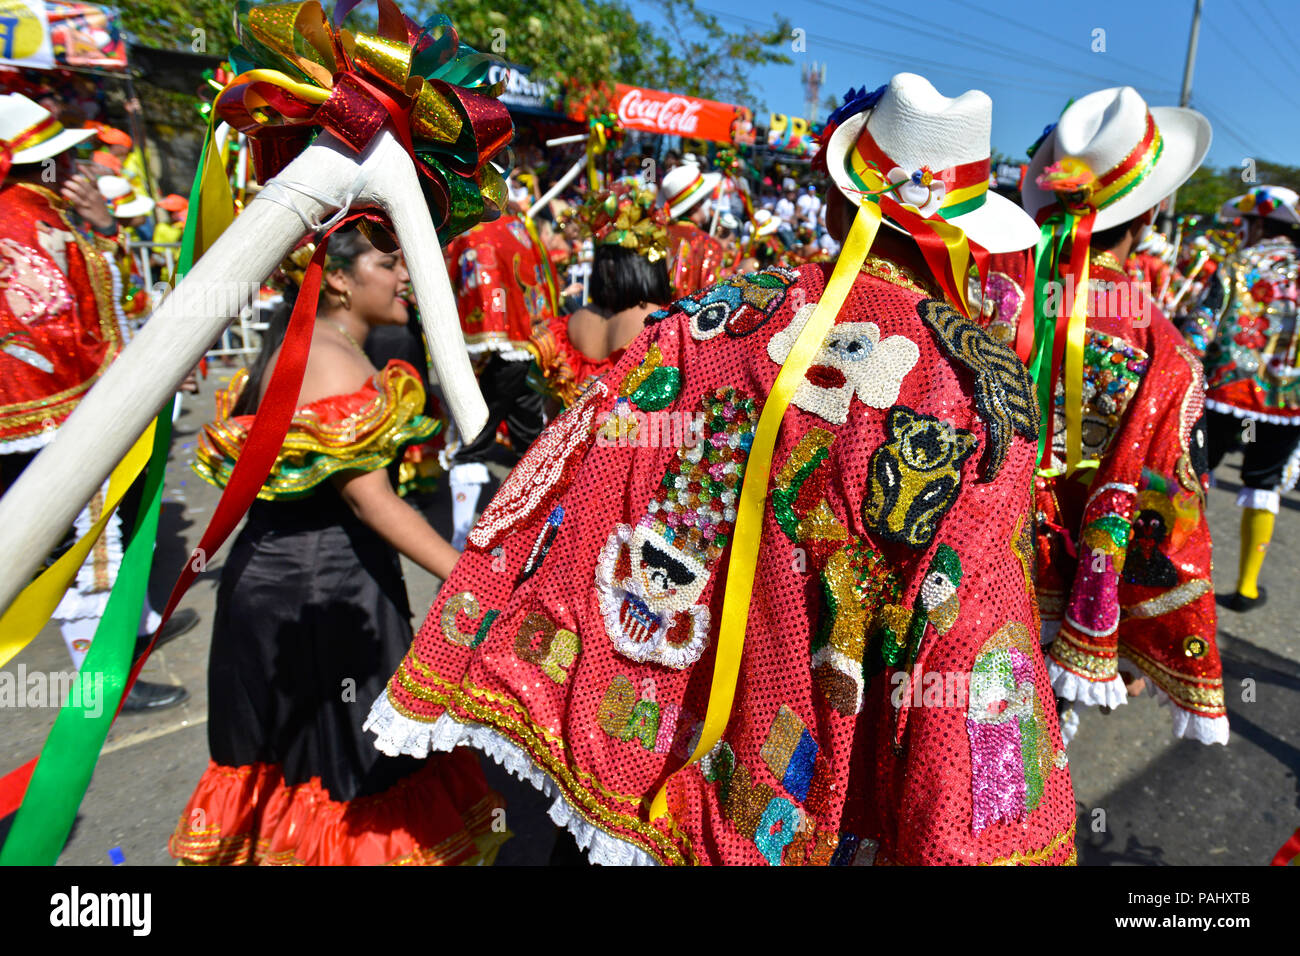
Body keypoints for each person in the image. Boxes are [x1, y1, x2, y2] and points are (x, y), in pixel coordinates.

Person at [367, 74, 1078, 866]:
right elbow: (973, 634)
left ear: (839, 200)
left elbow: (584, 471)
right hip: (827, 781)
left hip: (663, 742)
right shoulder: (977, 387)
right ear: (969, 231)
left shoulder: (724, 311)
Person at [168, 226, 507, 865]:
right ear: (342, 280)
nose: (405, 277)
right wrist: (476, 580)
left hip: (285, 587)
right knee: (351, 771)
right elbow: (369, 499)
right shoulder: (331, 357)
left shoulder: (308, 345)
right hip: (322, 594)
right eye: (388, 263)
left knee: (302, 769)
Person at [1020, 86, 1228, 745]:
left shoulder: (992, 294)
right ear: (1151, 210)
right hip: (1074, 586)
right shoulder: (1161, 346)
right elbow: (1164, 498)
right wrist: (1128, 628)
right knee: (1030, 754)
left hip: (973, 574)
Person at [0, 92, 191, 711]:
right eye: (65, 156)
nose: (78, 164)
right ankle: (98, 685)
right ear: (39, 166)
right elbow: (101, 317)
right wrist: (106, 234)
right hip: (57, 417)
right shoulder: (39, 225)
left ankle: (129, 636)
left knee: (93, 537)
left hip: (30, 417)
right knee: (93, 549)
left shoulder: (35, 217)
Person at [1180, 186, 1300, 611]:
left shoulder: (1239, 265)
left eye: (1246, 224)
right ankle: (1247, 588)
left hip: (1227, 394)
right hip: (1288, 404)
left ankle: (1176, 574)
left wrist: (1186, 375)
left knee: (1192, 477)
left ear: (1260, 224)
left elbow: (1200, 327)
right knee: (1264, 486)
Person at [441, 211, 559, 548]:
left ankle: (460, 540)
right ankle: (534, 530)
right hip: (529, 345)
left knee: (470, 441)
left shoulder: (473, 233)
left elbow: (473, 298)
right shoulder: (515, 223)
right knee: (526, 439)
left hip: (497, 350)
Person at [527, 179, 671, 409]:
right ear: (650, 265)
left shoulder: (571, 324)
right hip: (627, 442)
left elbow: (552, 411)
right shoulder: (661, 325)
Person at [659, 162, 726, 297]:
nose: (710, 205)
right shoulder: (709, 245)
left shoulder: (658, 235)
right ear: (696, 205)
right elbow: (713, 299)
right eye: (707, 198)